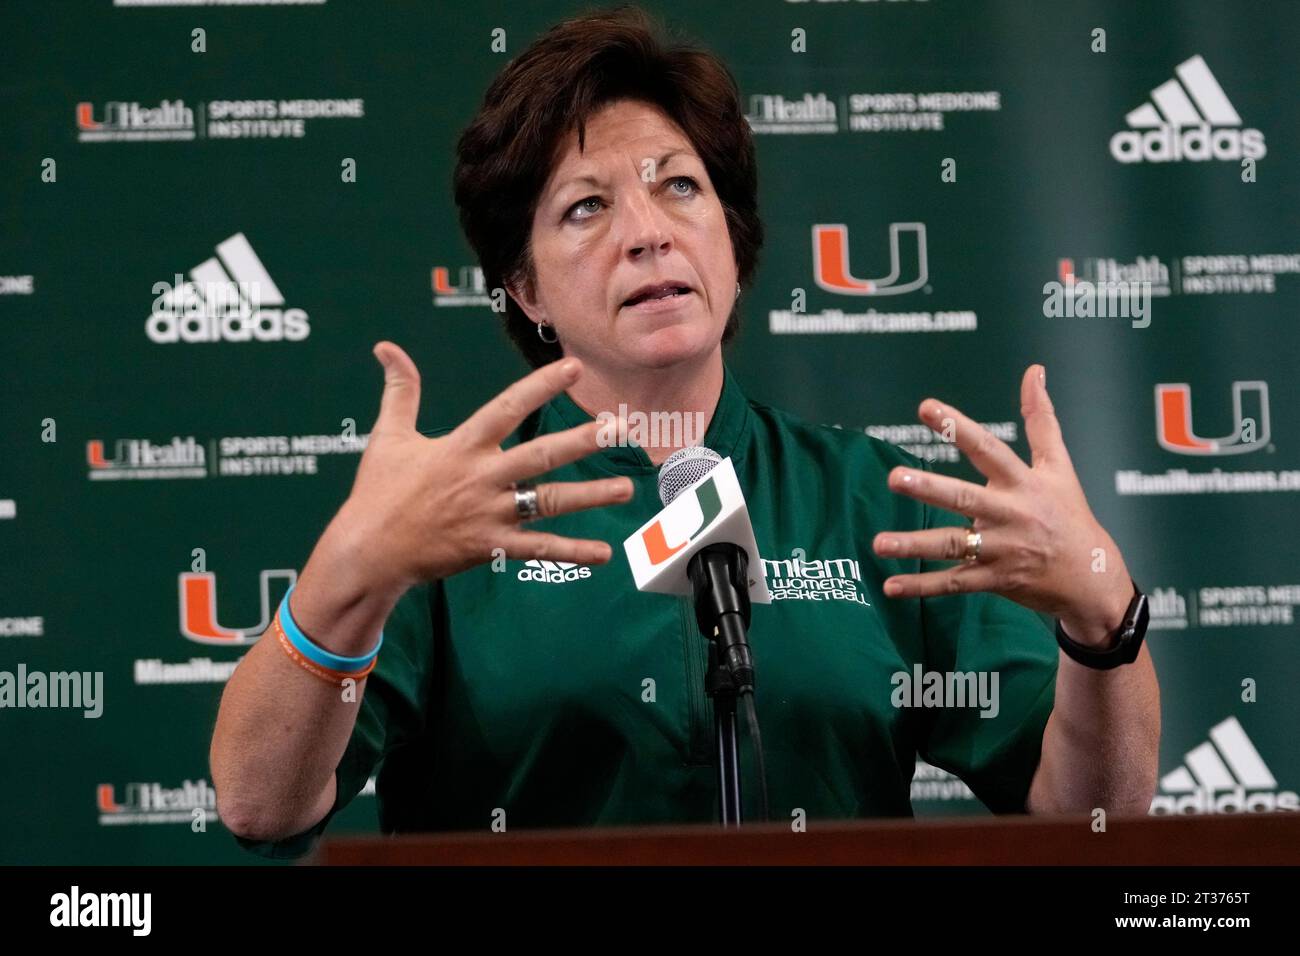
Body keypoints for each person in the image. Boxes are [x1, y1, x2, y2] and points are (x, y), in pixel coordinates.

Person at [210, 6, 1160, 859]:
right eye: (586, 206)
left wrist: (1104, 622)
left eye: (679, 188)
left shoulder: (866, 498)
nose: (647, 232)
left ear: (734, 244)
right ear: (528, 288)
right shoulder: (449, 520)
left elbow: (1090, 817)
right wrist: (351, 573)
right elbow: (261, 805)